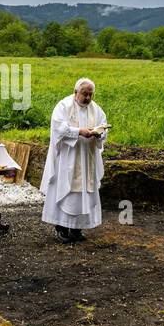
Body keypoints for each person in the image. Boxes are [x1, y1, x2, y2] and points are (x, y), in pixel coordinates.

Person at [40, 78, 108, 243]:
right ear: (75, 92)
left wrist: (100, 133)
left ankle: (77, 230)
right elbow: (58, 128)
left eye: (90, 94)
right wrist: (79, 131)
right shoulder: (63, 106)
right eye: (84, 94)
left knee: (83, 194)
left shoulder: (96, 109)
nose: (87, 97)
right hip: (68, 158)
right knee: (67, 191)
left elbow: (104, 126)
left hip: (87, 159)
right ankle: (61, 229)